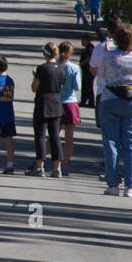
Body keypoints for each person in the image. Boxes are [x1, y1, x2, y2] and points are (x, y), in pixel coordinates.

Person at [98, 22, 132, 197]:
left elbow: (101, 74)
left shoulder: (109, 56)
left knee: (110, 143)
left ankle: (112, 184)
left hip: (110, 98)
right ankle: (131, 186)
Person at [28, 42, 65, 177]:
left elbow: (34, 88)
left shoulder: (42, 69)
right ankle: (57, 168)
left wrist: (35, 76)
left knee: (40, 135)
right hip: (56, 103)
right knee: (55, 136)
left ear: (45, 54)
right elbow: (61, 83)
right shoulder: (61, 69)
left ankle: (39, 166)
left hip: (43, 102)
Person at [57, 40, 81, 171]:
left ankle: (43, 158)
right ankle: (65, 163)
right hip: (70, 102)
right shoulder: (74, 68)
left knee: (55, 134)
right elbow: (77, 86)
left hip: (56, 102)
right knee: (69, 138)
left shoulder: (55, 66)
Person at [78, 36, 96, 108]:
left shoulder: (90, 48)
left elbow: (90, 57)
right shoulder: (88, 48)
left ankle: (91, 102)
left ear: (87, 40)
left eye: (83, 40)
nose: (82, 42)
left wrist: (83, 63)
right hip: (86, 70)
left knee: (88, 86)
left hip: (89, 70)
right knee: (85, 86)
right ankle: (84, 100)